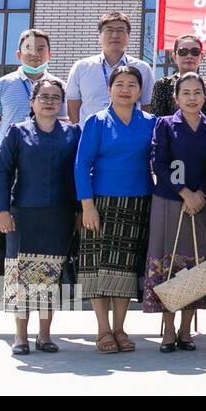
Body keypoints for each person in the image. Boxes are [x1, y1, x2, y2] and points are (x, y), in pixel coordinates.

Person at [73, 65, 157, 354]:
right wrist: (87, 206)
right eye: (119, 84)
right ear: (109, 89)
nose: (125, 89)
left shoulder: (150, 122)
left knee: (125, 269)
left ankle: (120, 328)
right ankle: (102, 330)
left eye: (132, 84)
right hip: (101, 203)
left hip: (138, 202)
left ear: (140, 90)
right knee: (98, 267)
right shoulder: (96, 121)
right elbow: (81, 164)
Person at [0, 78, 78, 355]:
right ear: (33, 102)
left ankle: (45, 334)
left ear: (61, 103)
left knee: (50, 274)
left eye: (55, 97)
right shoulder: (17, 132)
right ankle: (20, 336)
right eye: (44, 97)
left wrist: (78, 210)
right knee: (20, 275)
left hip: (60, 214)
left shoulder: (73, 133)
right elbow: (2, 172)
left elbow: (79, 175)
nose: (49, 101)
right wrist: (3, 211)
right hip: (23, 214)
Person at [0, 28, 66, 287]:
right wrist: (7, 150)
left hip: (45, 164)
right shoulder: (2, 84)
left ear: (49, 53)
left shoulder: (57, 86)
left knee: (43, 224)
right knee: (3, 223)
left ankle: (44, 283)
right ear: (19, 53)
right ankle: (0, 282)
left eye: (41, 48)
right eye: (29, 48)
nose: (35, 53)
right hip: (8, 164)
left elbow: (63, 122)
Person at [143, 72, 206, 352]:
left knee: (193, 264)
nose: (192, 98)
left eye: (197, 92)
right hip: (169, 202)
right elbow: (158, 163)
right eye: (185, 93)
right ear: (176, 97)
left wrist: (201, 195)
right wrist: (185, 192)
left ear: (205, 97)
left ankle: (186, 331)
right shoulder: (165, 125)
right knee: (170, 264)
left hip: (201, 204)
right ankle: (169, 331)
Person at [66, 12, 155, 123]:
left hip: (128, 135)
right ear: (99, 36)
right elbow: (72, 105)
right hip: (90, 136)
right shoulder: (81, 67)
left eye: (120, 30)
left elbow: (147, 105)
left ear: (128, 37)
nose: (115, 35)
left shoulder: (143, 69)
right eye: (109, 30)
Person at [149, 34, 206, 118]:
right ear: (174, 57)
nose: (189, 56)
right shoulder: (163, 85)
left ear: (201, 57)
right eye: (183, 52)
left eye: (195, 52)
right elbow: (157, 121)